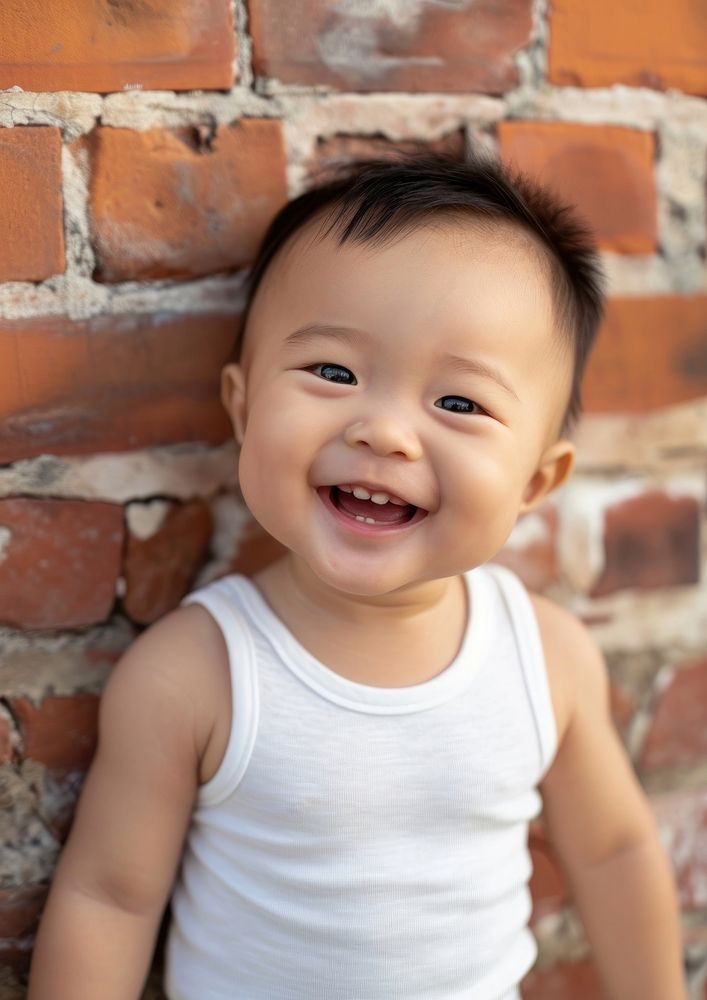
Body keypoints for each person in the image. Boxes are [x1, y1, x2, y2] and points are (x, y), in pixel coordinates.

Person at [28, 155, 685, 1000]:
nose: (383, 432)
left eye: (459, 403)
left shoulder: (544, 660)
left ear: (534, 481)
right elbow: (109, 899)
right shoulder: (196, 673)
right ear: (242, 406)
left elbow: (613, 851)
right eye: (333, 373)